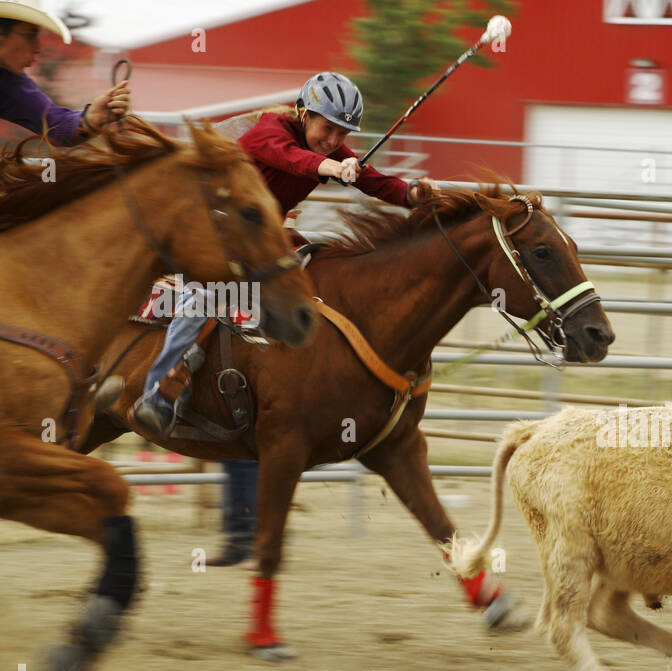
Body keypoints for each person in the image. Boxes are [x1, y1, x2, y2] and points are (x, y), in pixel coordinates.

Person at [130, 72, 438, 568]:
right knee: (207, 289)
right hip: (209, 223)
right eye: (327, 129)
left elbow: (374, 179)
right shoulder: (266, 129)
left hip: (260, 238)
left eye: (342, 134)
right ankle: (160, 391)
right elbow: (286, 158)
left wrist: (411, 196)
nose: (335, 141)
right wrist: (329, 167)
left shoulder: (332, 151)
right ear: (303, 112)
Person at [0, 1, 130, 144]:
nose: (38, 47)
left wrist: (91, 118)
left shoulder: (10, 83)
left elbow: (52, 122)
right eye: (30, 36)